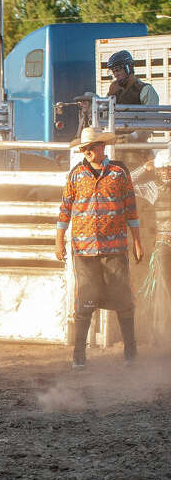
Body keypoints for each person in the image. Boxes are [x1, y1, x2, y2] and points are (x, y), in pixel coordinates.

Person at [56, 126, 144, 368]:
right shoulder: (76, 174)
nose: (87, 152)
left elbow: (130, 208)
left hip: (114, 247)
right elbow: (65, 208)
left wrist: (136, 241)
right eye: (84, 149)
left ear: (101, 147)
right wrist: (58, 239)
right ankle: (79, 356)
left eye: (90, 147)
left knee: (122, 297)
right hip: (84, 249)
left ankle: (130, 352)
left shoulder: (118, 172)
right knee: (85, 299)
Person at [131, 147, 171, 345]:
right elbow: (125, 183)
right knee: (163, 288)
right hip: (163, 244)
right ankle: (162, 336)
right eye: (163, 169)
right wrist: (143, 169)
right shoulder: (154, 188)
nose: (167, 172)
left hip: (164, 244)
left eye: (169, 169)